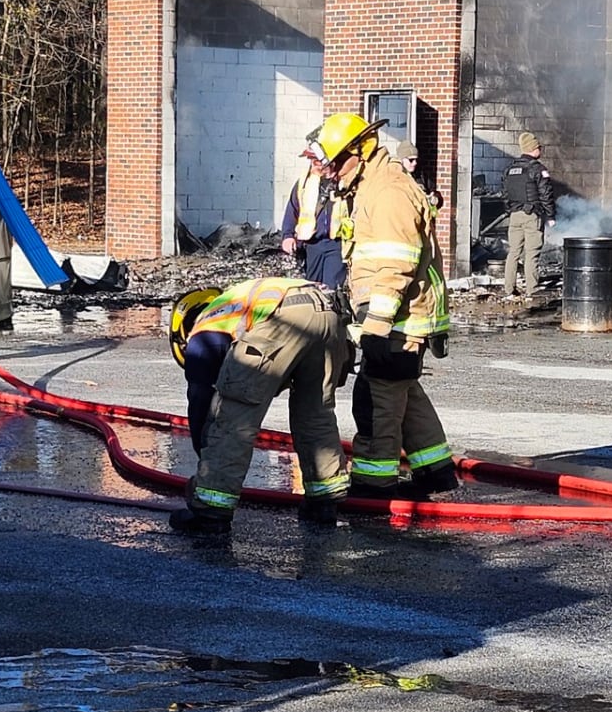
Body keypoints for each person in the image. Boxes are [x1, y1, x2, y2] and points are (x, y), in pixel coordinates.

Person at [312, 112, 458, 500]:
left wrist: (375, 325)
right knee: (403, 392)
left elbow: (397, 265)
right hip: (399, 317)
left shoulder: (388, 191)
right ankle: (436, 470)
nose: (330, 172)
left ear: (361, 151)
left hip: (398, 320)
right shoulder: (371, 186)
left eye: (336, 161)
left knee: (376, 399)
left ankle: (374, 483)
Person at [166, 279, 354, 535]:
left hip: (286, 316)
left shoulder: (204, 331)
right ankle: (324, 504)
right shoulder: (239, 304)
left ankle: (211, 511)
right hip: (329, 312)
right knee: (315, 412)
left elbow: (202, 404)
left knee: (234, 414)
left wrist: (205, 470)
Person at [278, 136, 348, 289]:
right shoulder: (303, 182)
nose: (313, 164)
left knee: (332, 291)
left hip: (336, 244)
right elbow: (293, 209)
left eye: (316, 160)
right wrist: (288, 236)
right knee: (310, 289)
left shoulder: (345, 182)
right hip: (311, 245)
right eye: (311, 160)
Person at [499, 131, 554, 299]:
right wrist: (551, 216)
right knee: (532, 252)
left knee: (513, 252)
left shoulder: (510, 169)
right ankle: (532, 290)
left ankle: (509, 290)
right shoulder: (538, 170)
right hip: (532, 215)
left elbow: (505, 194)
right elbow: (546, 194)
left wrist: (510, 209)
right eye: (539, 147)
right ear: (533, 148)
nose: (541, 150)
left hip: (515, 215)